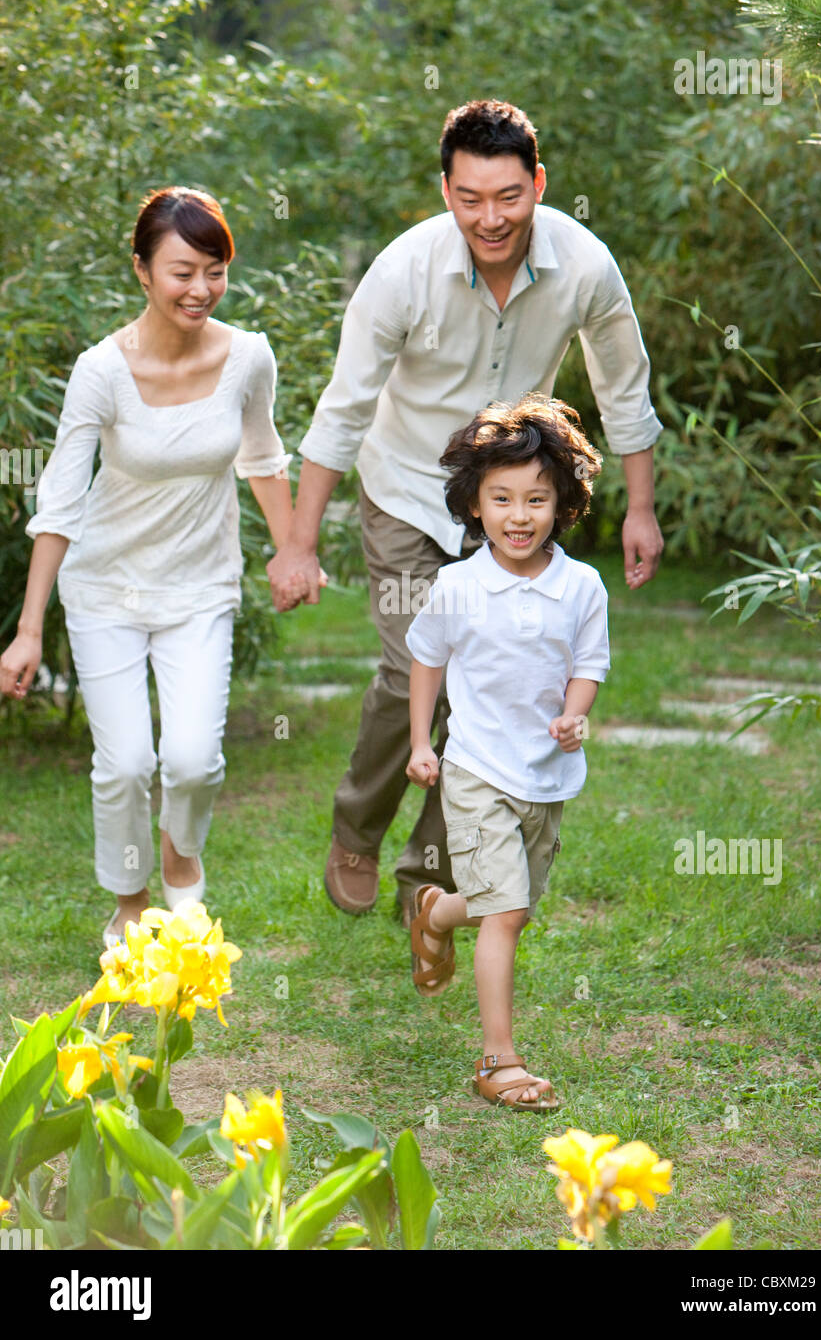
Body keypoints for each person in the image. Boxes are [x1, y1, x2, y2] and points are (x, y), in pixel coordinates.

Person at [266, 98, 661, 923]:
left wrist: (641, 510)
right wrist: (299, 544)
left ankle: (429, 877)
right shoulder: (404, 270)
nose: (492, 217)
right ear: (446, 190)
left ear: (539, 184)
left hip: (506, 501)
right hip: (408, 490)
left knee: (491, 684)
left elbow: (625, 391)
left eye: (510, 196)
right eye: (471, 197)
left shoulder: (585, 266)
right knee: (415, 670)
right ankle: (356, 829)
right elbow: (342, 412)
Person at [0, 186, 310, 948]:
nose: (200, 289)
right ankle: (132, 903)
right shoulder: (101, 371)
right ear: (141, 271)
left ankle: (182, 860)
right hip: (105, 585)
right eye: (182, 272)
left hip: (200, 585)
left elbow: (263, 458)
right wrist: (29, 631)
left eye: (215, 271)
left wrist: (290, 549)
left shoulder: (247, 357)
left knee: (194, 760)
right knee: (127, 763)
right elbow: (61, 502)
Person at [404, 393, 609, 1110]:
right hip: (475, 767)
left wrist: (572, 717)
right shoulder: (458, 587)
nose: (518, 516)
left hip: (546, 775)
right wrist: (420, 741)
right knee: (508, 914)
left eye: (536, 500)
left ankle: (433, 913)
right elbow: (425, 660)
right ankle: (499, 1062)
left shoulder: (582, 587)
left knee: (507, 902)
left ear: (563, 504)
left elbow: (589, 665)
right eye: (501, 499)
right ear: (474, 505)